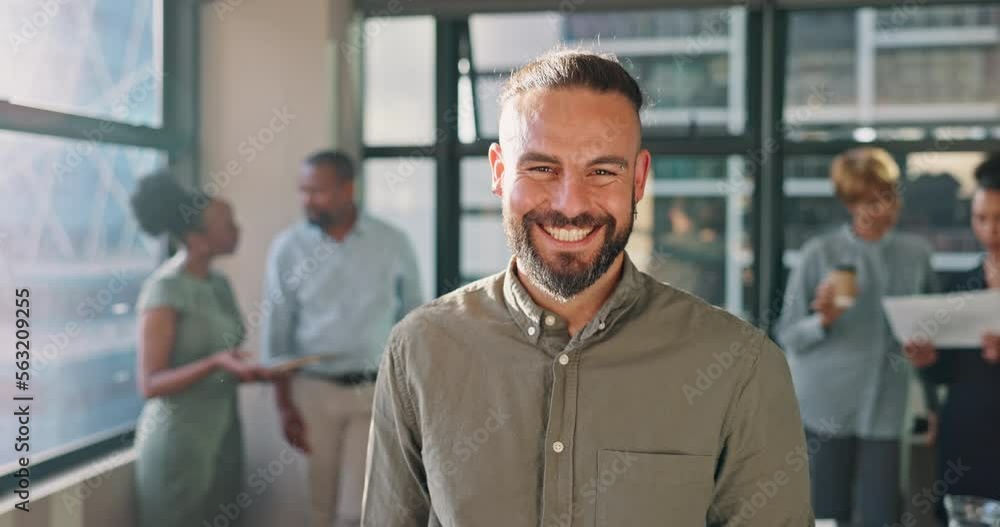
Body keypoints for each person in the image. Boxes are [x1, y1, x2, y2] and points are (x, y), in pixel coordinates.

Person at [363, 50, 813, 526]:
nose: (571, 204)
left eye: (601, 171)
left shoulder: (740, 366)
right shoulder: (419, 350)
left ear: (638, 178)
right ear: (498, 171)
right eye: (541, 169)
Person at [775, 147, 938, 527]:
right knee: (828, 514)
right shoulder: (820, 253)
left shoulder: (917, 255)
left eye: (890, 195)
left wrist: (930, 396)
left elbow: (931, 330)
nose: (885, 208)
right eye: (871, 200)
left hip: (888, 405)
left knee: (885, 514)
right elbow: (788, 334)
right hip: (824, 405)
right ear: (851, 203)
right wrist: (823, 320)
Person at [262, 150, 423, 527]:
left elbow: (414, 317)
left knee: (360, 510)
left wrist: (409, 393)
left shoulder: (393, 242)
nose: (307, 200)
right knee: (318, 507)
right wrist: (283, 404)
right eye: (303, 191)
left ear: (348, 189)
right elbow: (277, 329)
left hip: (374, 392)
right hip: (312, 394)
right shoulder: (288, 248)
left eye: (317, 191)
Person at [131, 172, 270, 527]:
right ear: (198, 239)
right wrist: (214, 364)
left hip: (222, 434)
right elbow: (150, 383)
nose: (238, 229)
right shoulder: (165, 289)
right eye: (228, 224)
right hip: (179, 443)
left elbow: (224, 359)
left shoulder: (218, 284)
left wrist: (253, 373)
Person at [918, 152, 1000, 505]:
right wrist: (928, 360)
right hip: (968, 439)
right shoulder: (960, 285)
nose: (990, 230)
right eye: (980, 218)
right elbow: (948, 372)